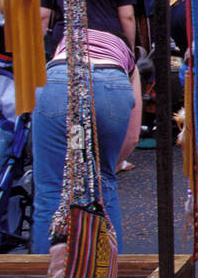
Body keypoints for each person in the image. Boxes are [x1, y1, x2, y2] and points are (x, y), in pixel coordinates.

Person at [31, 27, 139, 253]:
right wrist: (106, 165)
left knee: (52, 188)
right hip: (112, 83)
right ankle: (109, 275)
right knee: (104, 183)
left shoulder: (65, 39)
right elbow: (132, 137)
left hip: (61, 78)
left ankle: (44, 277)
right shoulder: (127, 55)